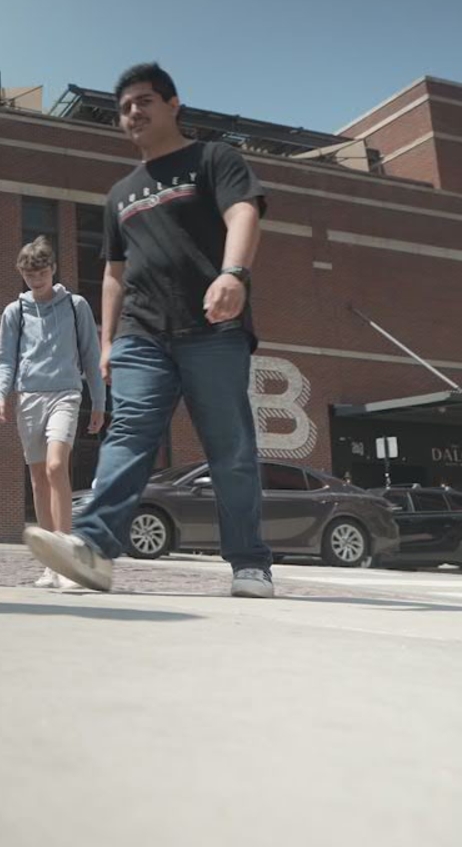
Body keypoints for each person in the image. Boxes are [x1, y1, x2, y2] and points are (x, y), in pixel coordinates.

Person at [24, 62, 275, 599]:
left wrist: (234, 274)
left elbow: (243, 213)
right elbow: (115, 273)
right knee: (129, 433)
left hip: (213, 326)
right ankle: (92, 550)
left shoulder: (213, 159)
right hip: (142, 334)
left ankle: (250, 563)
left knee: (229, 446)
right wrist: (109, 340)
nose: (132, 113)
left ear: (173, 104)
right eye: (124, 108)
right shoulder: (120, 193)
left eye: (144, 101)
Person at [0, 236, 105, 588]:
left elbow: (90, 353)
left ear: (52, 269)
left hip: (66, 394)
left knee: (56, 465)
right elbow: (4, 358)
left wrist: (98, 402)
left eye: (40, 272)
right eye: (28, 274)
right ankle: (50, 563)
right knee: (38, 477)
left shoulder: (76, 305)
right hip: (28, 399)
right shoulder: (15, 312)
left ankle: (67, 557)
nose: (35, 279)